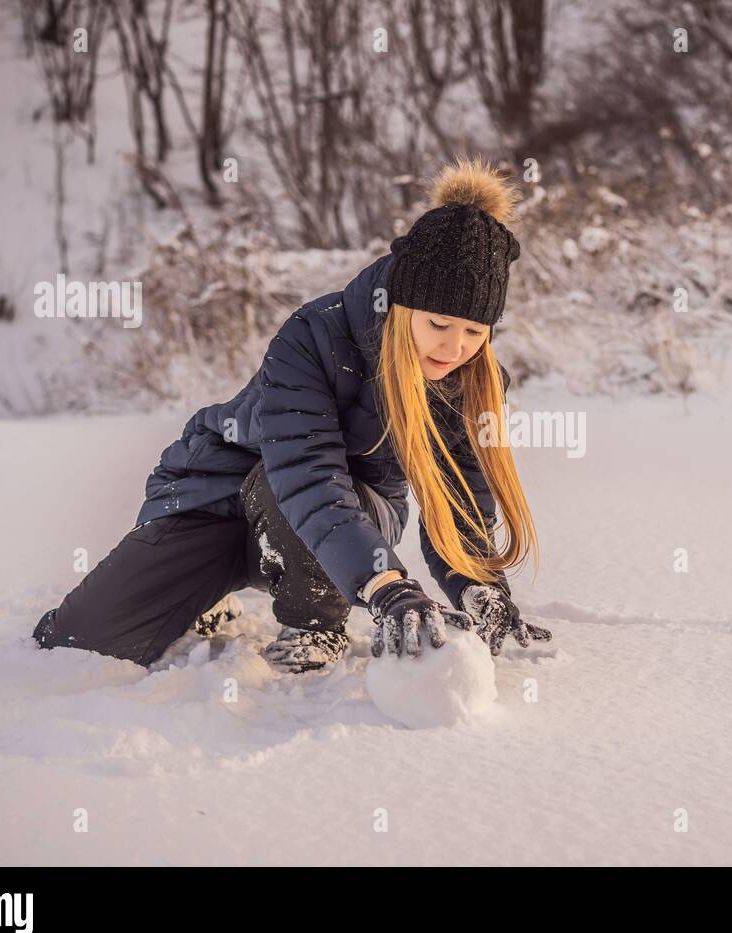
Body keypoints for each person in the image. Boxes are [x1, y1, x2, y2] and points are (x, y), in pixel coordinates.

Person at [31, 157, 552, 673]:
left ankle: (315, 619)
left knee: (286, 496)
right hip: (218, 499)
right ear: (401, 304)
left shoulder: (468, 382)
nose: (454, 346)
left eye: (474, 332)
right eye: (439, 322)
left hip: (340, 523)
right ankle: (204, 596)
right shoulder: (313, 337)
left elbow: (460, 501)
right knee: (78, 642)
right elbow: (307, 473)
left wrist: (481, 589)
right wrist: (389, 587)